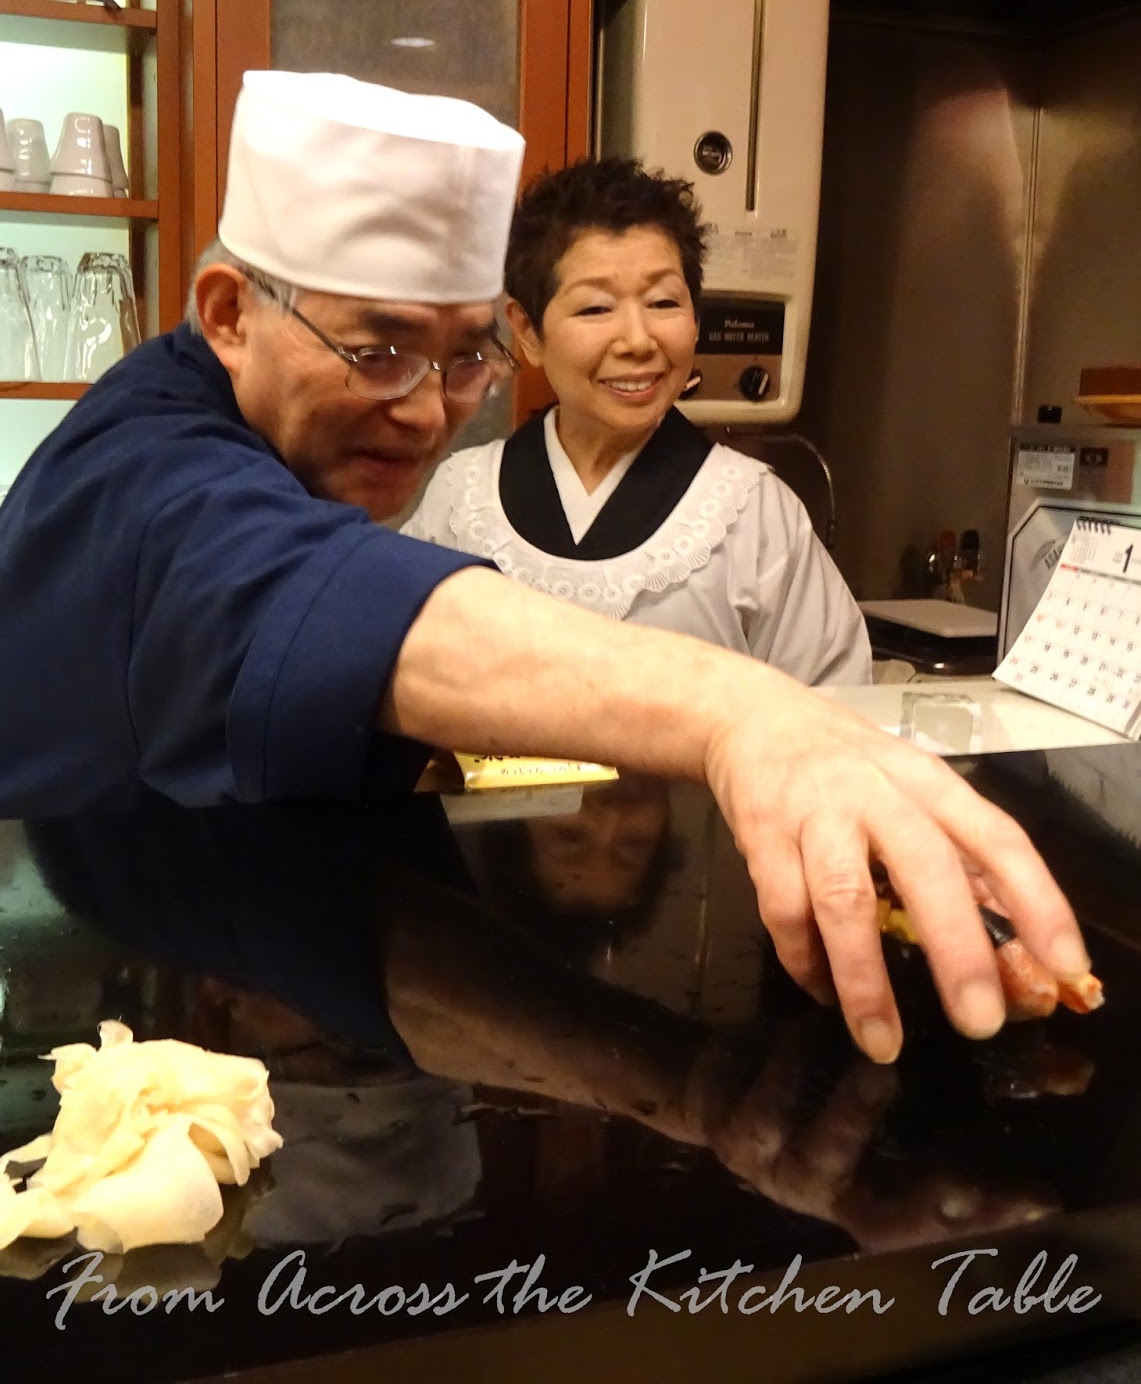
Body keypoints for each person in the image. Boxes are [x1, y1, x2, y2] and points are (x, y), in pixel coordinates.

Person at [0, 69, 1091, 1066]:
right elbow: (324, 599)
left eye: (464, 356)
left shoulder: (741, 499)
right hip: (60, 1029)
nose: (428, 411)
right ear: (231, 315)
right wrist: (741, 715)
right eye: (376, 351)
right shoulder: (149, 466)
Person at [403, 157, 870, 686]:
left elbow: (833, 705)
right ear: (528, 331)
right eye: (596, 309)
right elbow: (415, 679)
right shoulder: (462, 501)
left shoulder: (756, 515)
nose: (638, 341)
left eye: (664, 301)